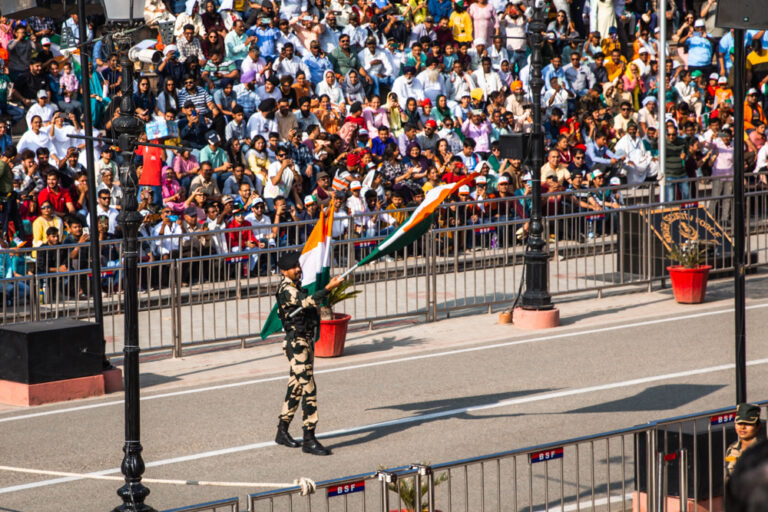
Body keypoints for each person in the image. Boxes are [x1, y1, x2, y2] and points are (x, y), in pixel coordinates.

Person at [274, 250, 345, 456]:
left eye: (298, 265)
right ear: (284, 271)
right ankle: (309, 437)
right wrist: (328, 288)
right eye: (293, 267)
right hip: (297, 344)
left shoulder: (295, 286)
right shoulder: (287, 289)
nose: (298, 269)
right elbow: (308, 302)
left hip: (305, 340)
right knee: (309, 389)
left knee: (295, 387)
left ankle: (282, 431)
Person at [725, 403, 763, 479]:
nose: (742, 427)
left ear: (758, 426)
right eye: (739, 423)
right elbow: (728, 477)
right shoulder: (732, 449)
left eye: (748, 424)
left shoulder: (763, 449)